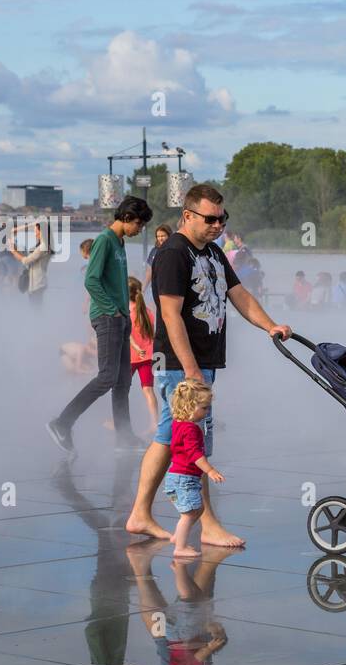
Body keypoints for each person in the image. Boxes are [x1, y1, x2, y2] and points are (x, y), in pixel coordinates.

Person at [124, 183, 291, 547]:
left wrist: (270, 325)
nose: (218, 225)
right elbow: (170, 314)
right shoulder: (172, 254)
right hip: (179, 365)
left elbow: (240, 295)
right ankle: (206, 524)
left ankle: (141, 513)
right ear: (188, 215)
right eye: (211, 219)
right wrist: (191, 369)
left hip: (200, 363)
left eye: (222, 219)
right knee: (188, 441)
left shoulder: (213, 252)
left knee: (171, 438)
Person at [47, 195, 152, 455]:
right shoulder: (104, 241)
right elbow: (91, 281)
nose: (140, 229)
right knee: (107, 377)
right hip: (108, 318)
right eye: (139, 224)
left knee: (123, 380)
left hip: (120, 318)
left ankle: (124, 438)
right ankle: (62, 423)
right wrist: (113, 312)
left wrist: (123, 315)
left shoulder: (119, 242)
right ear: (126, 218)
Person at [165, 380, 223, 558]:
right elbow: (194, 454)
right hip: (183, 480)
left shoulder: (179, 424)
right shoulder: (190, 429)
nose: (207, 412)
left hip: (178, 479)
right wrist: (210, 470)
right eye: (204, 408)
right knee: (189, 514)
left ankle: (178, 537)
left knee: (197, 510)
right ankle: (180, 548)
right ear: (191, 406)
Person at [129, 276, 158, 434]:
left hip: (131, 357)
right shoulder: (147, 311)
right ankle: (154, 423)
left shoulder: (127, 312)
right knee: (148, 390)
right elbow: (152, 333)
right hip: (148, 356)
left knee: (120, 391)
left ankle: (118, 422)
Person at [8, 219, 53, 310]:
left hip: (38, 283)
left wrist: (13, 251)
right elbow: (27, 259)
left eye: (36, 231)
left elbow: (26, 261)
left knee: (36, 309)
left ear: (42, 232)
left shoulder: (43, 247)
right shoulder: (42, 245)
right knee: (35, 308)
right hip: (34, 283)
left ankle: (39, 323)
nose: (35, 233)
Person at [144, 223, 173, 290]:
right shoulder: (154, 251)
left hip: (169, 287)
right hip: (156, 287)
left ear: (169, 236)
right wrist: (143, 288)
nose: (160, 238)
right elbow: (149, 271)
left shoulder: (174, 250)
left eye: (163, 236)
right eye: (158, 236)